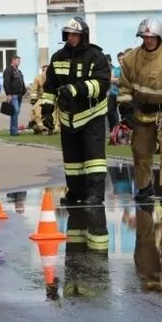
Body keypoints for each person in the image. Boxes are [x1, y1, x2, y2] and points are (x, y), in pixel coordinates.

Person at [40, 16, 111, 208]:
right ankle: (76, 192)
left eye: (74, 35)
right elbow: (49, 87)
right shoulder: (58, 57)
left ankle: (95, 195)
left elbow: (102, 84)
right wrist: (46, 112)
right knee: (72, 160)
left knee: (94, 158)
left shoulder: (96, 56)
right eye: (68, 34)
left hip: (92, 114)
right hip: (67, 117)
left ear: (83, 36)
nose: (70, 38)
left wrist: (75, 89)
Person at [118, 18, 162, 202]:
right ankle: (144, 187)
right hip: (141, 112)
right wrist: (125, 110)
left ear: (160, 37)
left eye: (152, 36)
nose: (148, 40)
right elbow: (124, 88)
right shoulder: (130, 59)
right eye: (144, 36)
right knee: (140, 151)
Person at [2, 55, 25, 136]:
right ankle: (14, 131)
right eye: (18, 61)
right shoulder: (8, 70)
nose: (19, 62)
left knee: (16, 112)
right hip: (13, 95)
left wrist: (24, 92)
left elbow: (22, 82)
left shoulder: (18, 71)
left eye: (19, 61)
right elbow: (6, 83)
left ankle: (14, 129)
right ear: (13, 60)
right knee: (15, 111)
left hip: (19, 95)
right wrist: (8, 94)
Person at [28, 65, 51, 134]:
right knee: (35, 112)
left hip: (52, 99)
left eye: (47, 70)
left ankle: (52, 128)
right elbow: (34, 88)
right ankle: (39, 127)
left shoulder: (53, 78)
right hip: (41, 99)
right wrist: (33, 99)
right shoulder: (38, 78)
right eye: (44, 70)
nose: (45, 72)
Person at [108, 52, 123, 131]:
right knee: (110, 111)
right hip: (114, 93)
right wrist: (120, 80)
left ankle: (125, 131)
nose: (120, 61)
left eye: (121, 59)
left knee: (125, 113)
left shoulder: (128, 70)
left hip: (124, 94)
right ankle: (113, 129)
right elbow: (111, 79)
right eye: (119, 59)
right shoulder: (115, 69)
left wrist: (116, 79)